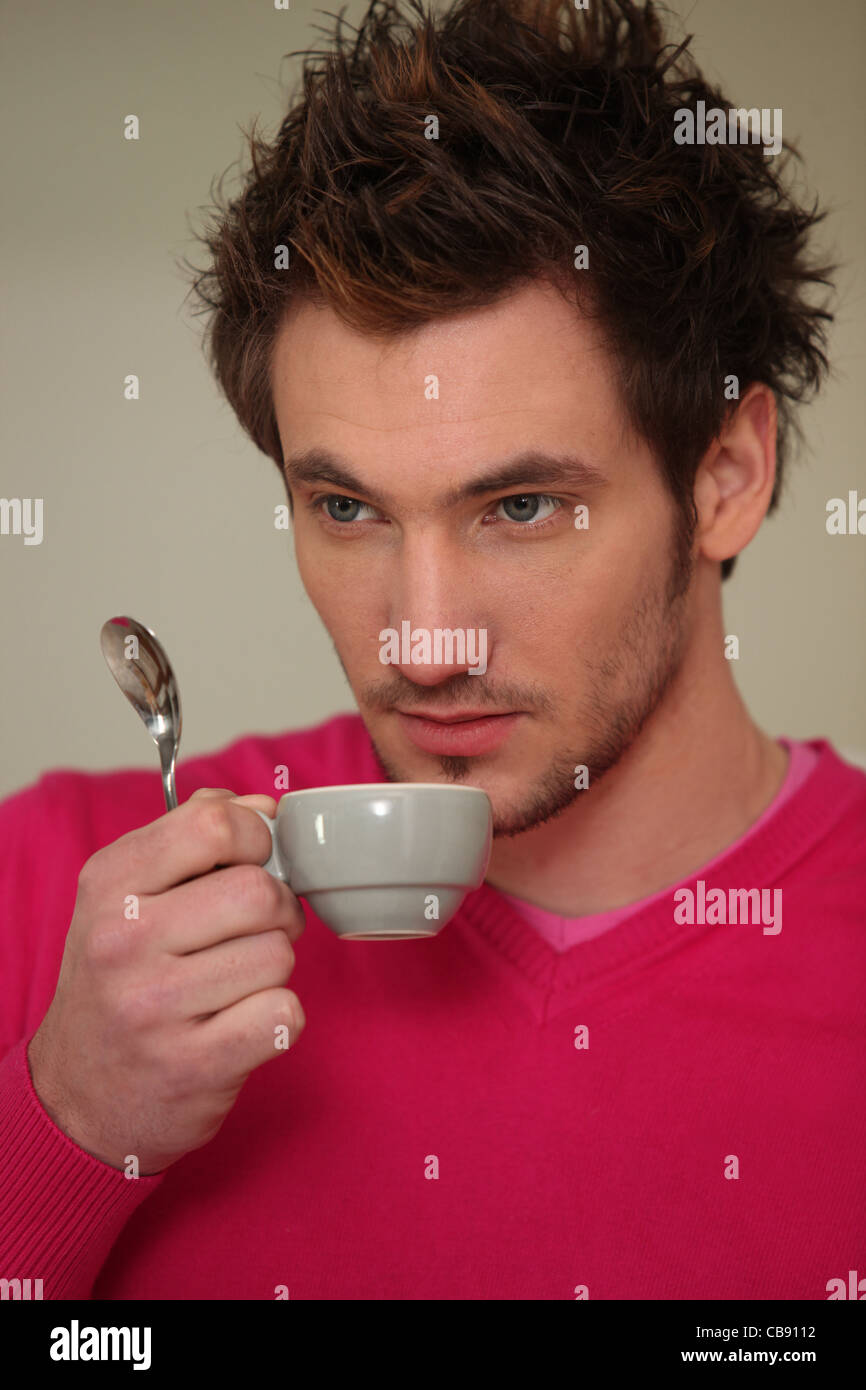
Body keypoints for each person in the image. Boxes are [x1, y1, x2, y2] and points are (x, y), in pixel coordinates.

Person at [1, 0, 863, 1301]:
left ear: (726, 477)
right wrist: (62, 1122)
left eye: (518, 507)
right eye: (345, 508)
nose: (421, 634)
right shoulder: (71, 894)